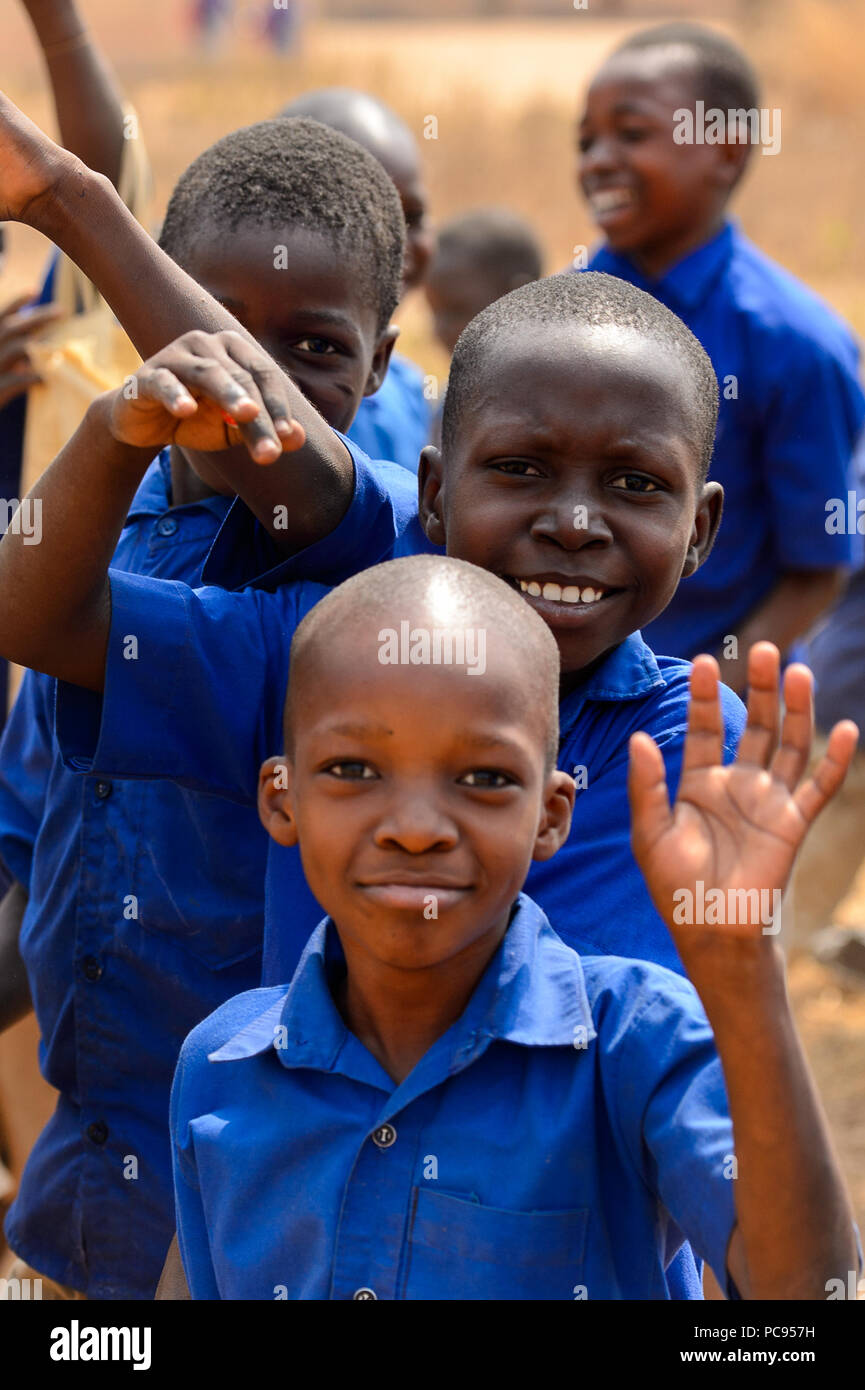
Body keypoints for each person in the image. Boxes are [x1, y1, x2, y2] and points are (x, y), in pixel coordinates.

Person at [160, 555, 858, 1300]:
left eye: (485, 779)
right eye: (354, 770)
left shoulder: (632, 1045)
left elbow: (807, 1297)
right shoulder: (222, 1065)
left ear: (551, 815)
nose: (417, 828)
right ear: (282, 799)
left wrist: (742, 975)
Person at [0, 114, 420, 1300]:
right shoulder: (101, 541)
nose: (246, 374)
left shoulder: (370, 554)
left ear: (382, 362)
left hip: (275, 1212)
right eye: (210, 330)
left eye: (311, 347)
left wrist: (66, 195)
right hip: (87, 1197)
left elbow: (286, 461)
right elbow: (41, 864)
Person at [575, 22, 864, 687]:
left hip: (704, 708)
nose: (595, 160)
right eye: (586, 141)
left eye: (631, 133)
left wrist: (701, 701)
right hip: (559, 700)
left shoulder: (794, 345)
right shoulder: (551, 320)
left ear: (726, 152)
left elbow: (814, 570)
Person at [281, 88, 435, 472]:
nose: (395, 245)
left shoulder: (407, 385)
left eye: (412, 218)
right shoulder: (278, 392)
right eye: (364, 221)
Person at [425, 207, 543, 357]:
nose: (441, 330)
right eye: (435, 313)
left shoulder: (566, 374)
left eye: (457, 311)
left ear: (518, 299)